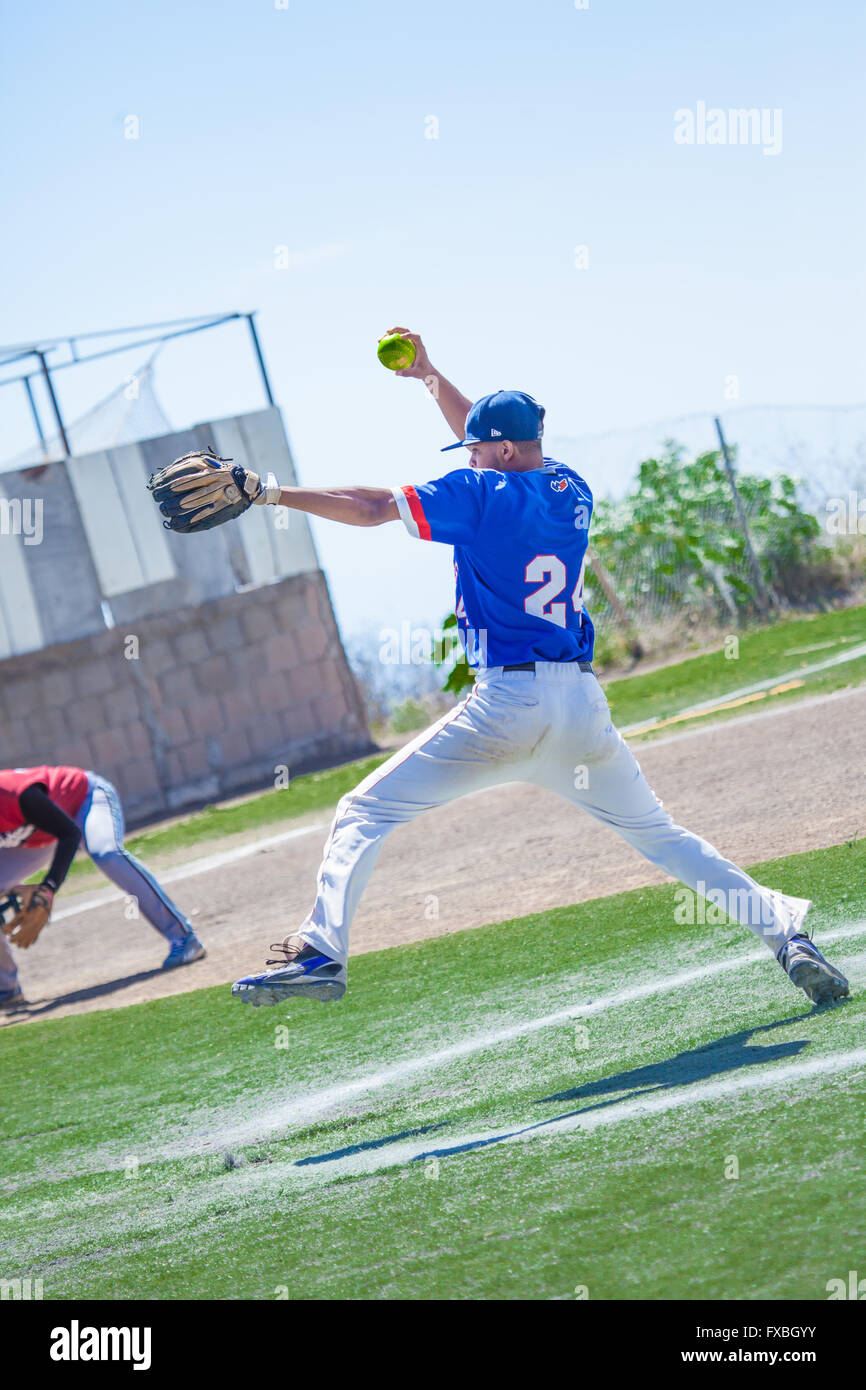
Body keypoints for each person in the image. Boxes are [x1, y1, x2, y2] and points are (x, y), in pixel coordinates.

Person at [230, 328, 849, 1010]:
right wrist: (430, 375)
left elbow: (377, 506)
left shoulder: (481, 490)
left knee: (363, 809)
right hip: (580, 709)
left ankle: (321, 953)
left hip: (507, 710)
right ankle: (785, 933)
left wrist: (270, 493)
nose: (466, 455)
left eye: (474, 447)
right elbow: (494, 437)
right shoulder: (570, 488)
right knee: (663, 837)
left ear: (496, 451)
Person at [0, 765, 205, 1012]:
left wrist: (48, 888)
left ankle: (184, 938)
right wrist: (17, 888)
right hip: (35, 837)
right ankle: (7, 989)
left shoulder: (13, 793)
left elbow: (69, 834)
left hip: (85, 799)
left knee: (106, 853)